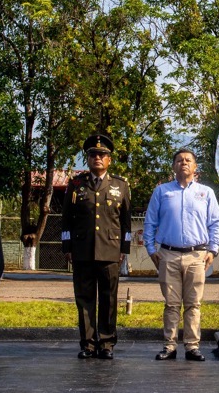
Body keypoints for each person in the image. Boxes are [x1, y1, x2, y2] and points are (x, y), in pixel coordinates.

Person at [143, 148, 219, 362]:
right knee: (171, 304)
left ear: (195, 167)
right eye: (179, 160)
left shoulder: (206, 193)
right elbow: (150, 222)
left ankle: (192, 346)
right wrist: (151, 249)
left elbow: (215, 223)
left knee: (193, 304)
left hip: (197, 256)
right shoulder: (162, 192)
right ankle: (169, 346)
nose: (184, 163)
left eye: (188, 160)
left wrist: (213, 249)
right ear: (173, 166)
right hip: (167, 255)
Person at [61, 133, 131, 360]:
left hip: (110, 251)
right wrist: (67, 246)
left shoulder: (120, 185)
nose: (97, 158)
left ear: (109, 159)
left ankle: (107, 343)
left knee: (109, 299)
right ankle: (88, 344)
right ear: (88, 158)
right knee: (84, 299)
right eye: (93, 154)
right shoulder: (76, 184)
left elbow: (126, 222)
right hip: (82, 251)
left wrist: (124, 249)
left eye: (102, 154)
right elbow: (66, 219)